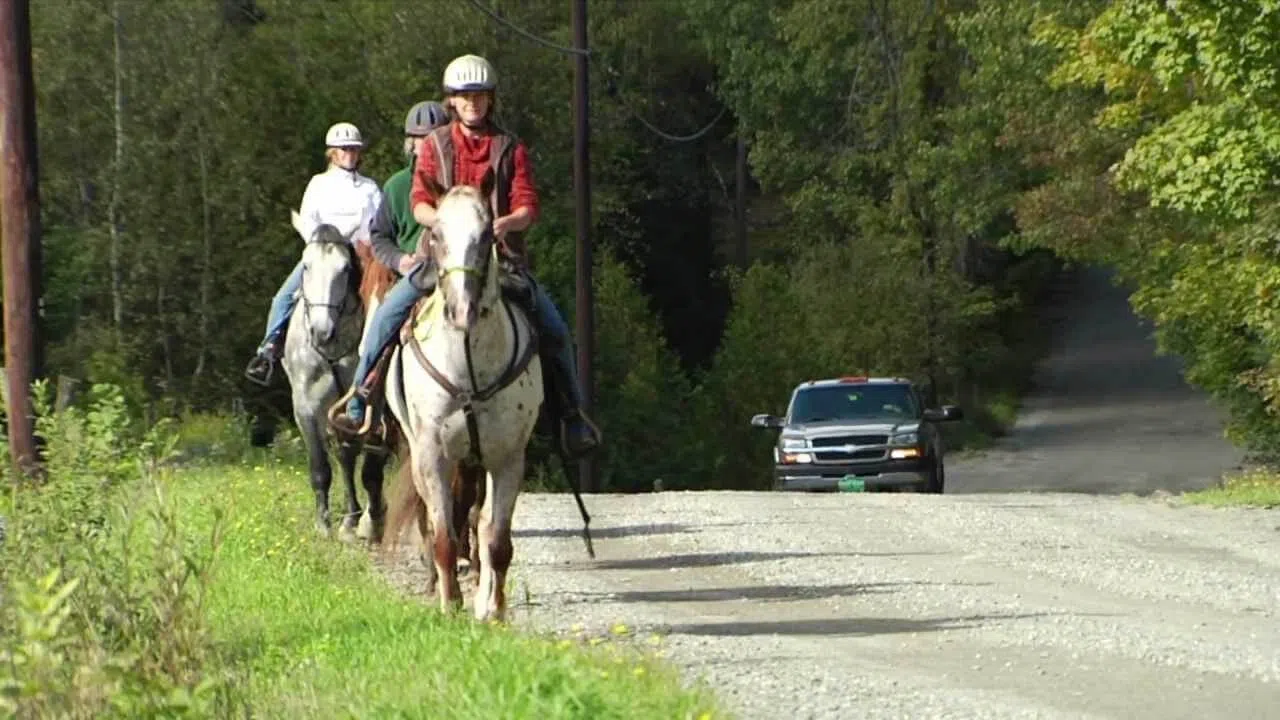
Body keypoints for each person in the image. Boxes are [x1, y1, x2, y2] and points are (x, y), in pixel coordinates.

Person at [330, 54, 602, 459]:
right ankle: (361, 400)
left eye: (480, 96)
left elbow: (528, 204)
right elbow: (420, 201)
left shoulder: (509, 149)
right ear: (452, 101)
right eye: (464, 96)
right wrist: (443, 222)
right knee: (385, 318)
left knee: (554, 327)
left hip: (499, 258)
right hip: (439, 259)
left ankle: (571, 416)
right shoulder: (434, 147)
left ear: (491, 100)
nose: (473, 103)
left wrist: (507, 223)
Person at [245, 122, 383, 386]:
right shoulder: (318, 184)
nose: (351, 154)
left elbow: (375, 225)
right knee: (283, 297)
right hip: (323, 256)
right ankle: (268, 351)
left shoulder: (369, 188)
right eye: (345, 149)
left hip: (358, 256)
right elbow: (308, 219)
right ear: (332, 153)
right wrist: (320, 245)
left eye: (354, 149)